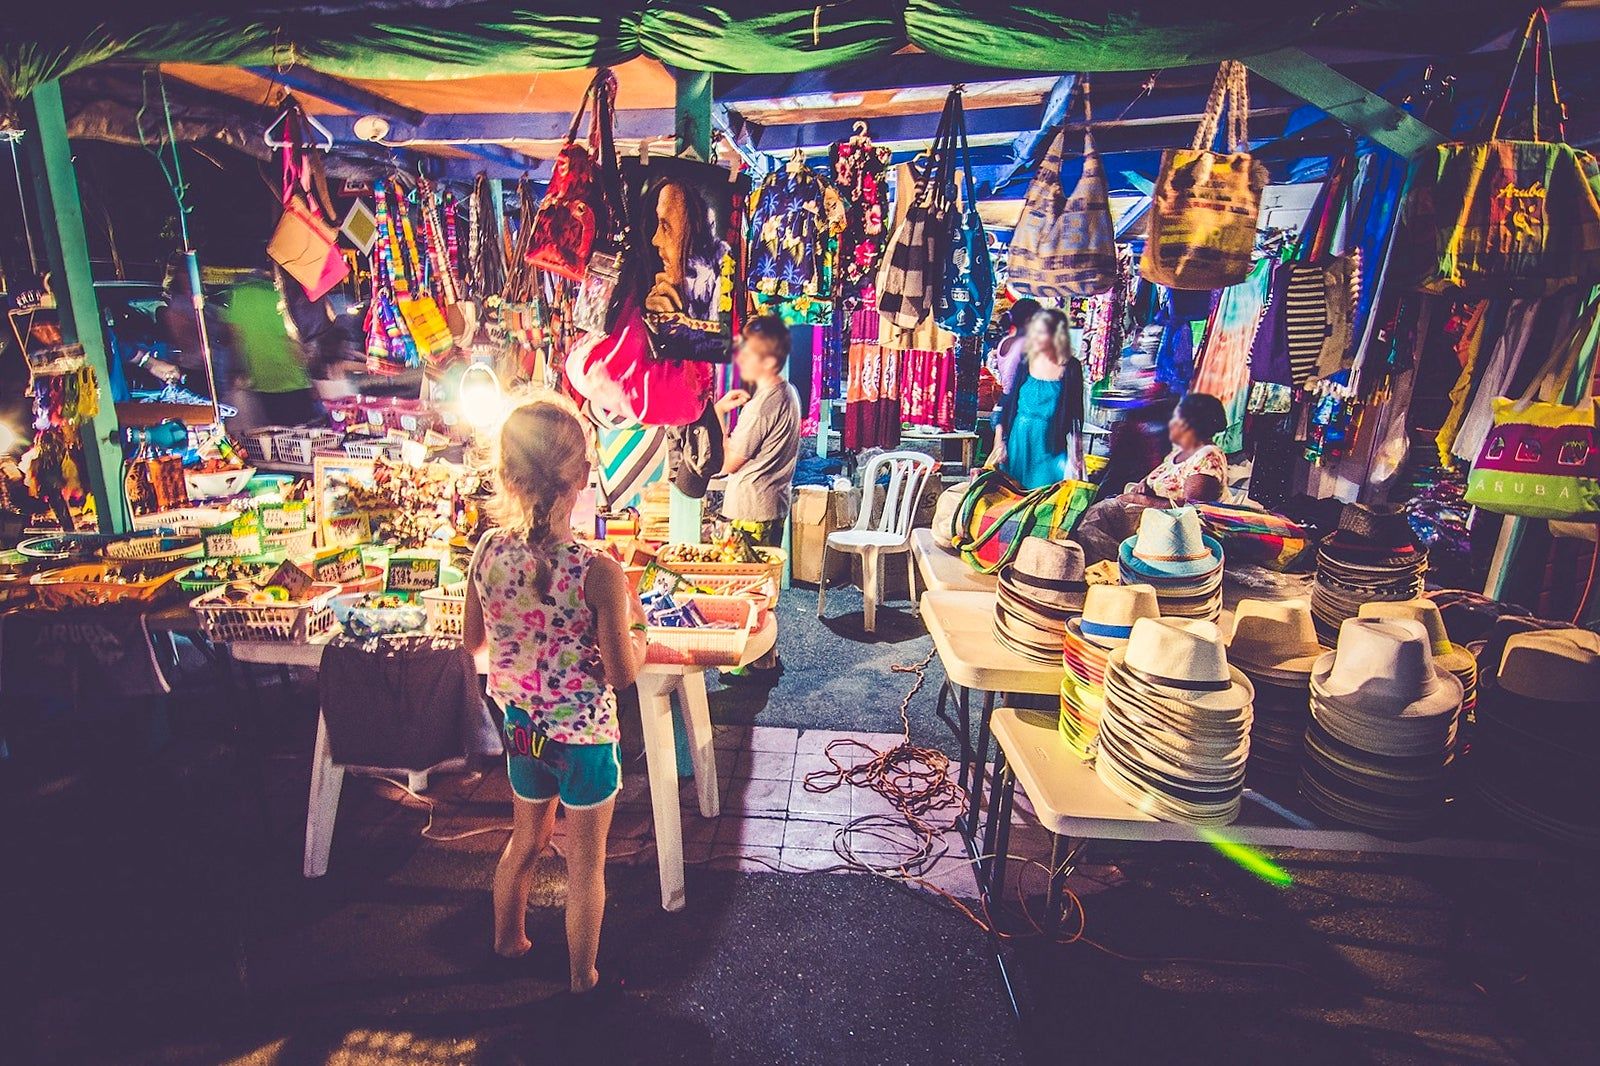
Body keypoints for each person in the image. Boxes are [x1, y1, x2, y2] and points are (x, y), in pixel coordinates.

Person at [462, 397, 648, 994]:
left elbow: (473, 643)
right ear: (583, 477)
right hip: (585, 739)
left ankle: (506, 939)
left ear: (507, 473)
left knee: (527, 839)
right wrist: (637, 632)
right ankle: (581, 976)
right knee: (585, 867)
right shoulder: (599, 572)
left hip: (522, 727)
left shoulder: (487, 550)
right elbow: (621, 674)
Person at [715, 314, 801, 674]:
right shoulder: (788, 392)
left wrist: (718, 413)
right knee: (762, 590)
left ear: (767, 361)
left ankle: (745, 666)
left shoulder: (762, 404)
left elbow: (726, 462)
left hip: (749, 507)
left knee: (743, 591)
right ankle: (765, 659)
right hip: (771, 503)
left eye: (748, 353)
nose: (741, 359)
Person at [1074, 391, 1233, 564]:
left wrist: (1139, 499)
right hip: (1153, 516)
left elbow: (1192, 511)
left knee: (1092, 528)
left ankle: (1118, 567)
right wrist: (1144, 484)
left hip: (1175, 530)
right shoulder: (1182, 450)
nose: (1172, 423)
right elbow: (1160, 475)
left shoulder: (1207, 458)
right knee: (1089, 517)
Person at [990, 307, 1085, 489]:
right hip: (1018, 439)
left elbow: (1075, 414)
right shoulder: (1027, 361)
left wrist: (1077, 454)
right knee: (1014, 494)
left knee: (1045, 495)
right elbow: (1008, 404)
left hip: (1050, 445)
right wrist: (999, 442)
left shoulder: (1071, 367)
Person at [222, 268, 319, 427]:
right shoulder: (278, 295)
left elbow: (235, 337)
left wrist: (239, 370)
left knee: (273, 440)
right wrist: (310, 373)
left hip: (262, 382)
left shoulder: (238, 294)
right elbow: (292, 339)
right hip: (293, 382)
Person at [988, 297, 1041, 395]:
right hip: (1019, 398)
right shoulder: (1025, 344)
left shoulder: (1006, 341)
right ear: (1029, 320)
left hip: (1008, 397)